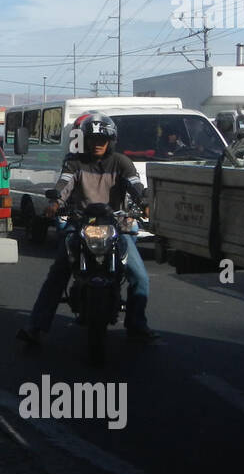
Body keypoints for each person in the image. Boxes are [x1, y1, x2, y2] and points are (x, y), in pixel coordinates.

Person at [16, 113, 158, 345]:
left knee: (140, 277)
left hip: (116, 226)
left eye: (103, 139)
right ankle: (36, 326)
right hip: (80, 224)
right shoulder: (75, 162)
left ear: (111, 140)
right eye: (92, 139)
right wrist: (55, 203)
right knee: (58, 274)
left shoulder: (121, 162)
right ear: (85, 140)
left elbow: (135, 184)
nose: (98, 143)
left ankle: (137, 325)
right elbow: (64, 184)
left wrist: (144, 201)